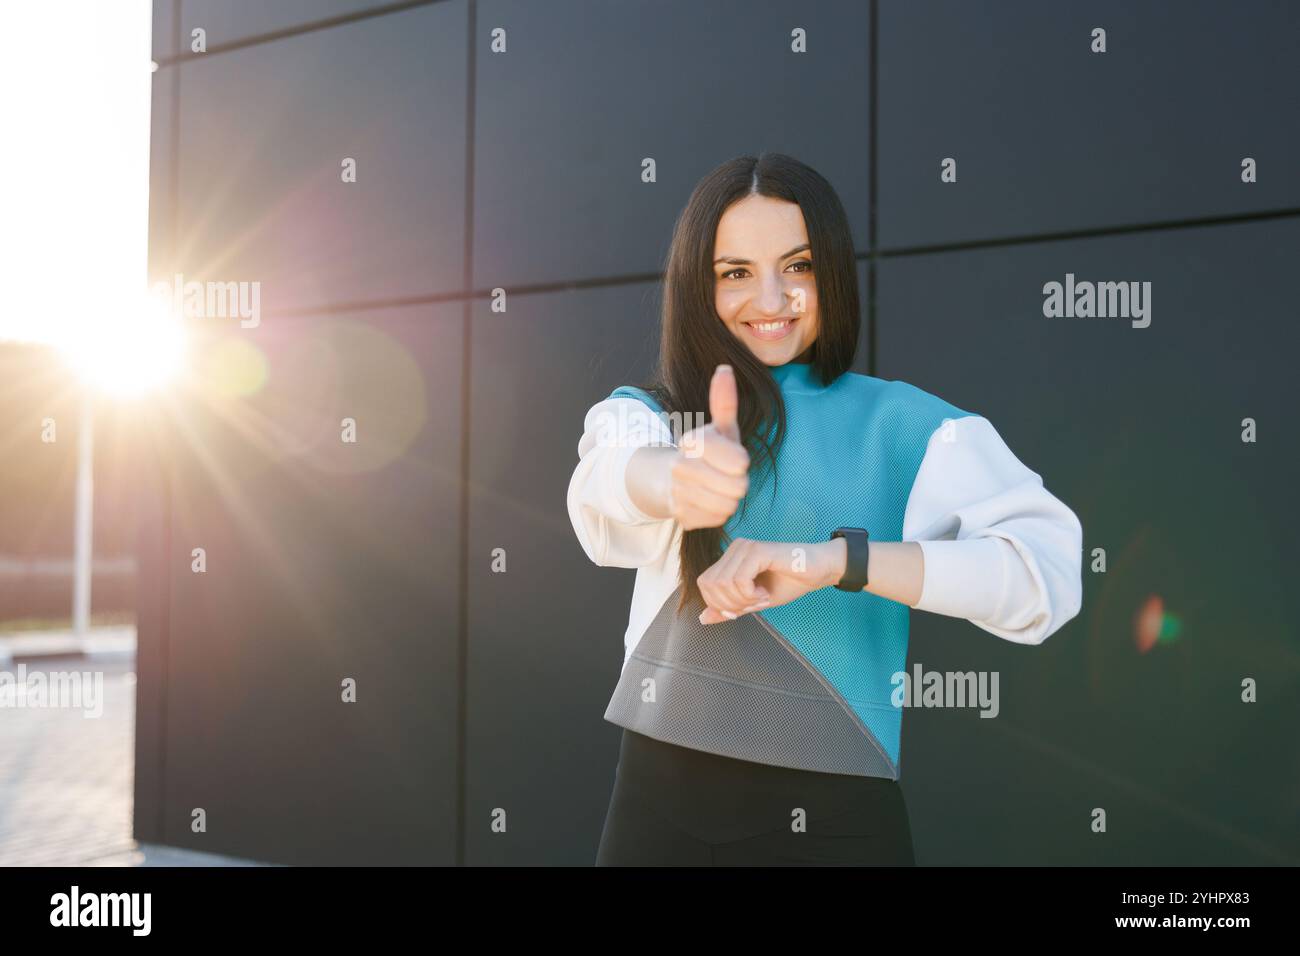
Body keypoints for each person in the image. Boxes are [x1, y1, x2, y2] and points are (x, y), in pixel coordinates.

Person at [566, 153, 1083, 866]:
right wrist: (678, 480)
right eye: (735, 272)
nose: (771, 298)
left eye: (798, 266)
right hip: (656, 810)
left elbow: (1046, 580)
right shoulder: (655, 415)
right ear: (697, 285)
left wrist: (841, 561)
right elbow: (606, 482)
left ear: (831, 272)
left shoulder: (905, 425)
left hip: (839, 813)